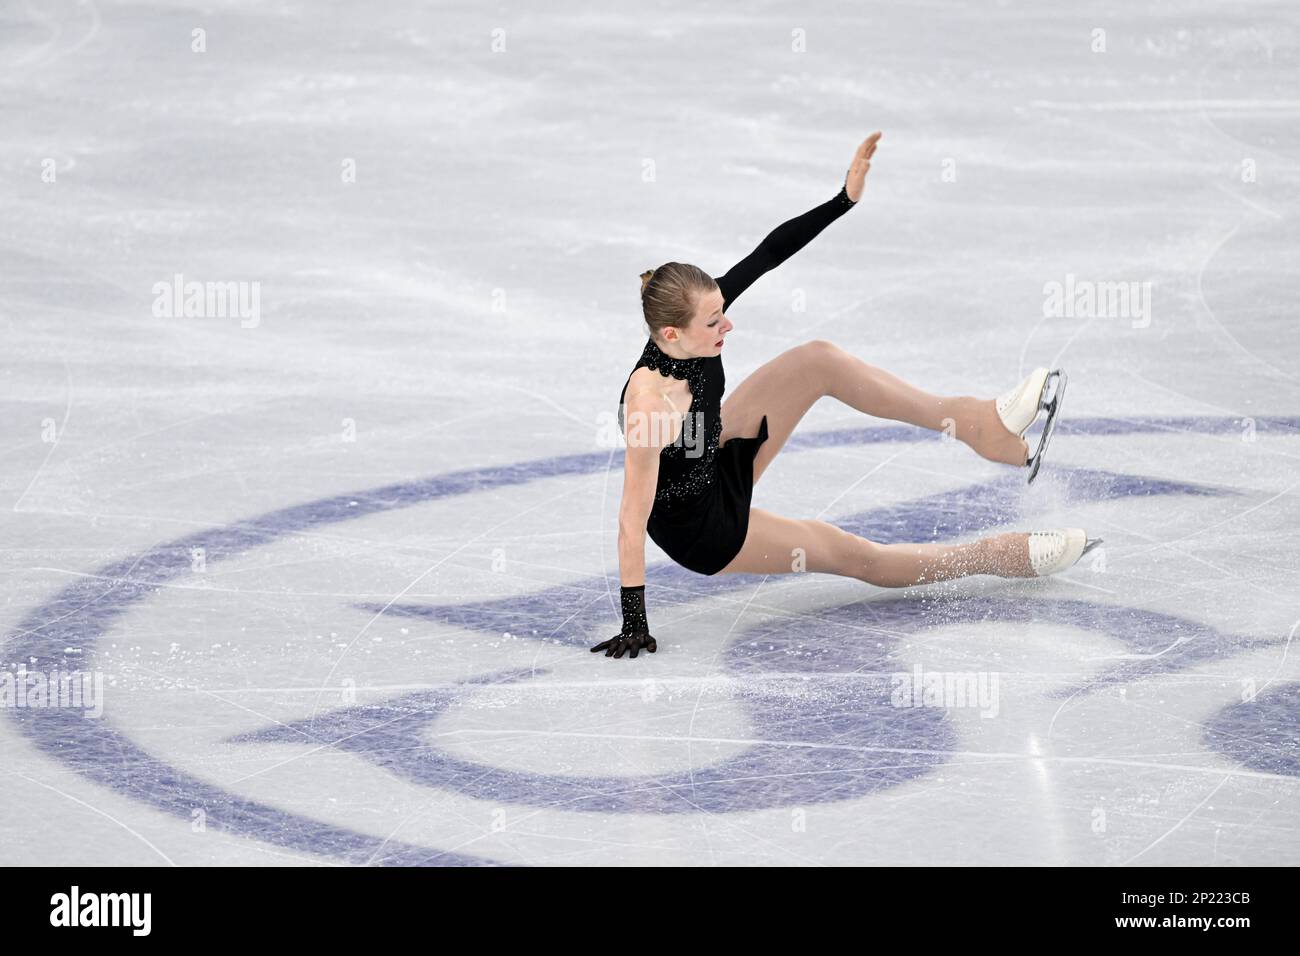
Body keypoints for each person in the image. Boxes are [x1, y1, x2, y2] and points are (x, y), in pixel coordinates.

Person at [594, 132, 1098, 659]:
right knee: (855, 555)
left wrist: (844, 199)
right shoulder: (648, 407)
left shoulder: (694, 320)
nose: (729, 322)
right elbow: (632, 519)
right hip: (706, 529)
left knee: (818, 360)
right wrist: (635, 623)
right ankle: (996, 556)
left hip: (718, 453)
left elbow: (767, 253)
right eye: (715, 320)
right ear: (671, 336)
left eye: (723, 308)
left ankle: (979, 424)